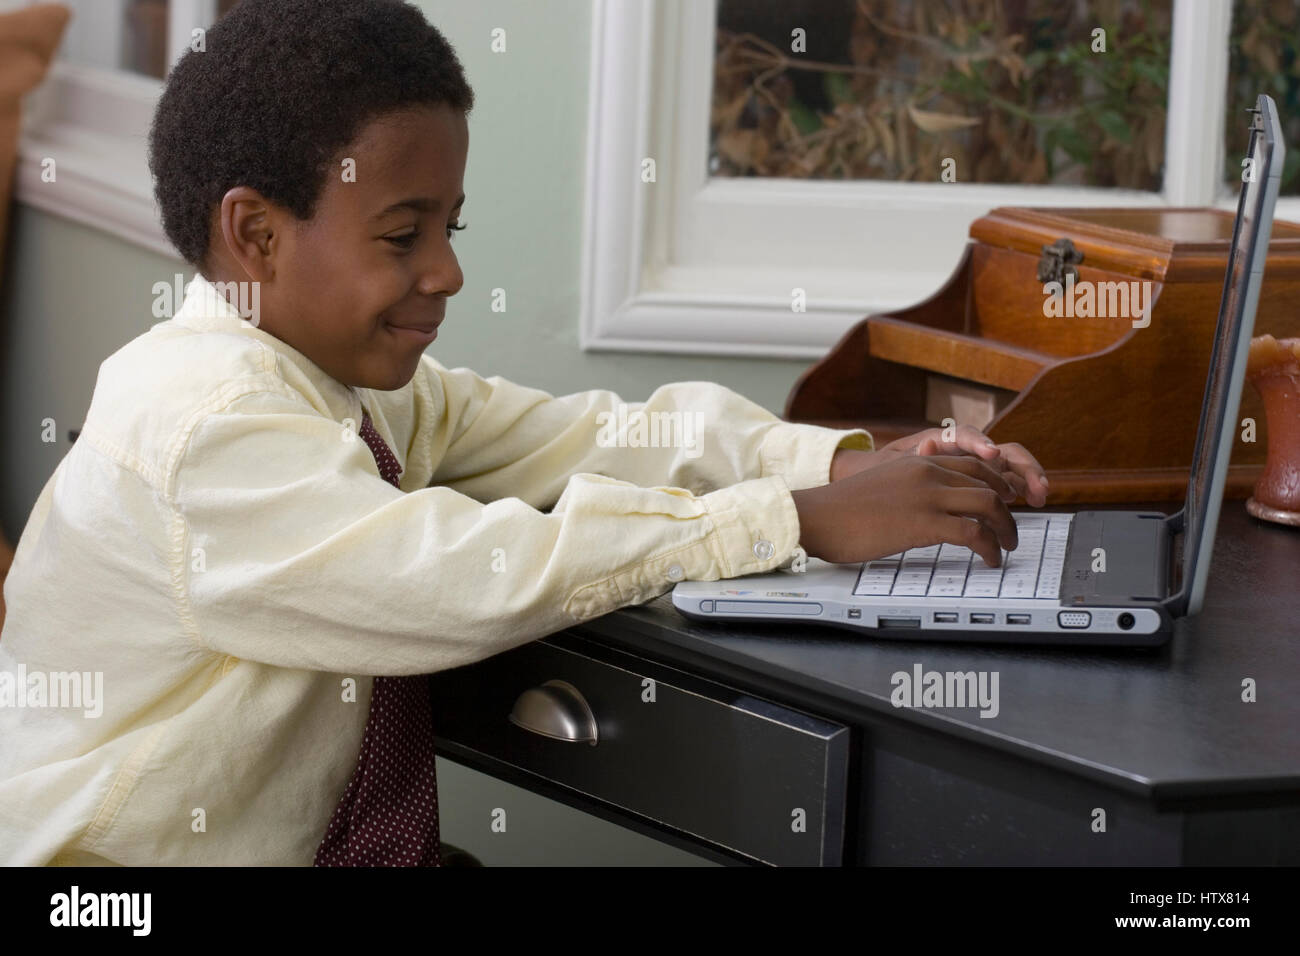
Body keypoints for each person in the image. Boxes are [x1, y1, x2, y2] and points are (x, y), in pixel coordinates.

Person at [0, 0, 1047, 866]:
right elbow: (448, 578)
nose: (447, 271)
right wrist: (787, 520)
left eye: (448, 229)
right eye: (403, 234)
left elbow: (582, 433)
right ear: (257, 234)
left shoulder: (338, 382)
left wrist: (835, 460)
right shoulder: (208, 427)